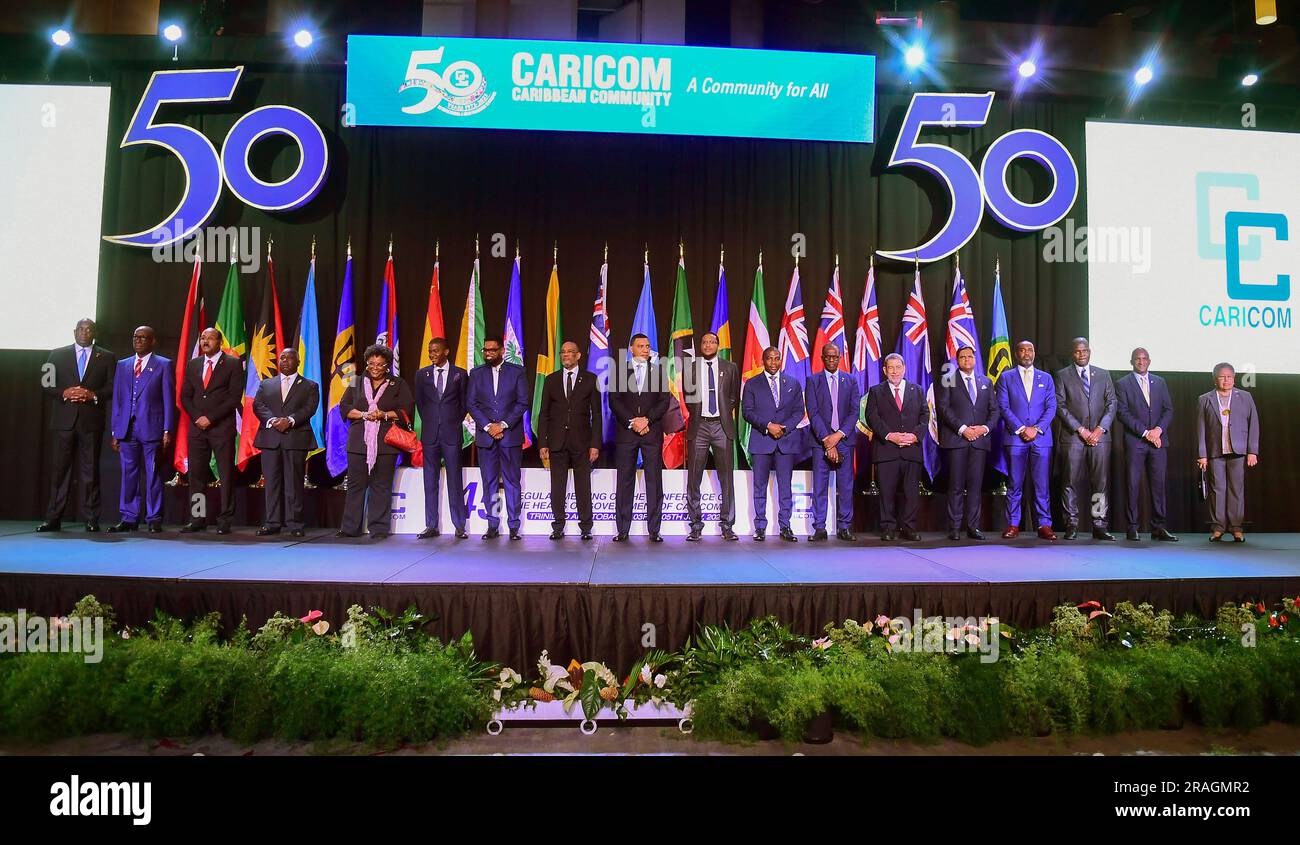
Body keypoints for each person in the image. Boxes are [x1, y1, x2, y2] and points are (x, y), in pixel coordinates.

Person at [39, 318, 113, 532]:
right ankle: (53, 518)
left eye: (89, 329)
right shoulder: (56, 354)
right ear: (74, 332)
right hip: (64, 421)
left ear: (94, 332)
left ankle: (91, 518)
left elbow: (112, 386)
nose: (84, 332)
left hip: (91, 422)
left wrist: (93, 395)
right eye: (81, 329)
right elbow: (45, 383)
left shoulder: (106, 356)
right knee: (59, 471)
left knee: (90, 471)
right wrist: (64, 393)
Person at [338, 344, 414, 539]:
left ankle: (379, 529)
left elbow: (406, 411)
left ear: (387, 365)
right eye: (371, 363)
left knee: (381, 485)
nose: (375, 368)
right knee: (356, 485)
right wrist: (364, 414)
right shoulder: (355, 381)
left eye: (379, 364)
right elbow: (345, 408)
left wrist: (383, 415)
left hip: (386, 443)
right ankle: (350, 528)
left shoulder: (397, 383)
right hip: (358, 443)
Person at [108, 326, 174, 532]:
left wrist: (167, 429)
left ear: (152, 341)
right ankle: (129, 517)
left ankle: (153, 517)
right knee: (129, 473)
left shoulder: (163, 364)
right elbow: (118, 399)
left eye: (143, 338)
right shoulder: (123, 365)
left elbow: (168, 400)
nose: (138, 340)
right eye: (136, 337)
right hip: (126, 429)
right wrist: (114, 431)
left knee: (153, 473)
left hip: (152, 428)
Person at [180, 328, 244, 534]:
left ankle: (225, 520)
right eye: (202, 338)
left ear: (220, 342)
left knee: (225, 475)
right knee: (197, 476)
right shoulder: (194, 364)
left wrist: (211, 418)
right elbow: (186, 396)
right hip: (197, 429)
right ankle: (197, 518)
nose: (205, 341)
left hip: (222, 429)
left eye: (210, 338)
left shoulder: (233, 364)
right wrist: (197, 417)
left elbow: (234, 398)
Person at [537, 341, 602, 540]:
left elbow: (597, 414)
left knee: (583, 486)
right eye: (563, 352)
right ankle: (557, 526)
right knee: (557, 486)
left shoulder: (591, 379)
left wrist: (595, 444)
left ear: (578, 355)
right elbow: (544, 413)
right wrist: (543, 443)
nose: (565, 355)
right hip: (557, 442)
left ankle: (586, 527)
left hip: (582, 442)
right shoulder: (551, 380)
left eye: (570, 352)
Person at [608, 333, 670, 541]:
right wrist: (633, 422)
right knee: (625, 481)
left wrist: (647, 421)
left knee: (654, 481)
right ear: (631, 349)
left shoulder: (659, 372)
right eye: (641, 346)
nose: (645, 349)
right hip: (627, 433)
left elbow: (664, 401)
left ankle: (654, 531)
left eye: (648, 346)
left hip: (651, 433)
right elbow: (614, 401)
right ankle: (623, 530)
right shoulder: (619, 371)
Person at [252, 348, 319, 537]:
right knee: (271, 482)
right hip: (270, 438)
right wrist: (273, 420)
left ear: (298, 362)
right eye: (282, 358)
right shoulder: (266, 384)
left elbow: (310, 408)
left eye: (290, 358)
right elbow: (258, 405)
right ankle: (272, 522)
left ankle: (295, 523)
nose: (285, 361)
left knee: (293, 483)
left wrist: (289, 420)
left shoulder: (310, 385)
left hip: (295, 438)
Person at [1055, 337, 1117, 541]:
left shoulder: (1103, 374)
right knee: (1069, 482)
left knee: (1100, 483)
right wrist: (1081, 430)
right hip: (1073, 437)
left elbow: (1111, 404)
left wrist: (1100, 429)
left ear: (1090, 351)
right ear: (1072, 353)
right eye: (1077, 351)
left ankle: (1099, 525)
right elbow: (1060, 406)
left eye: (1085, 351)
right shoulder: (1062, 375)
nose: (1082, 354)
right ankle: (1071, 524)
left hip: (1100, 437)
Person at [741, 346, 805, 542]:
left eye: (777, 358)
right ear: (763, 360)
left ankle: (785, 526)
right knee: (759, 486)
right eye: (770, 358)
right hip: (762, 441)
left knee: (785, 487)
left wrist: (783, 428)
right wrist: (768, 426)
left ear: (781, 360)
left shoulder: (792, 383)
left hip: (786, 442)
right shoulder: (752, 384)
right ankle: (760, 526)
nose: (773, 362)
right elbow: (747, 412)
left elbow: (799, 411)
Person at [936, 344, 999, 541]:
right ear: (957, 360)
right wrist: (963, 429)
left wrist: (984, 428)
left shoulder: (986, 382)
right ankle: (954, 528)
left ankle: (973, 527)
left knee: (975, 485)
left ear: (974, 359)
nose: (966, 360)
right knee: (955, 485)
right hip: (957, 440)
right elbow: (944, 409)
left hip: (979, 441)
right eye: (962, 357)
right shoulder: (948, 380)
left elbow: (994, 410)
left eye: (970, 357)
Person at [996, 340, 1058, 541]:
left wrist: (1036, 429)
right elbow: (1003, 407)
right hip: (1016, 438)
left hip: (1040, 438)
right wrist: (1022, 428)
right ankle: (1013, 524)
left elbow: (1051, 407)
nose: (1026, 353)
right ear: (1016, 354)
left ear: (1034, 352)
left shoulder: (1046, 378)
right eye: (1022, 350)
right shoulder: (1006, 377)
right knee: (1014, 483)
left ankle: (1044, 524)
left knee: (1042, 484)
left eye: (1030, 349)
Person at [468, 335, 528, 540]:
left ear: (502, 350)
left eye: (492, 350)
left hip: (509, 436)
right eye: (485, 350)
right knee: (489, 482)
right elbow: (472, 404)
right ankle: (492, 525)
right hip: (486, 438)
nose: (488, 353)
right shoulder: (476, 374)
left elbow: (522, 403)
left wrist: (501, 425)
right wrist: (487, 426)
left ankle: (513, 526)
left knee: (512, 481)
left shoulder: (517, 372)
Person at [864, 352, 928, 541]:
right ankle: (888, 528)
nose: (894, 371)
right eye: (890, 368)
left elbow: (925, 416)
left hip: (911, 449)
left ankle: (909, 527)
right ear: (884, 370)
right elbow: (872, 417)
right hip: (886, 450)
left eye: (898, 367)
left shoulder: (916, 390)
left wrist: (914, 435)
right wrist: (890, 436)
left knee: (911, 493)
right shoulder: (876, 391)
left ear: (904, 369)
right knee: (887, 492)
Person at [1115, 348, 1177, 542]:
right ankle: (1132, 527)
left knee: (1158, 485)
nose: (1141, 362)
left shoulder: (1159, 382)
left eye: (1144, 359)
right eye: (1137, 359)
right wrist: (1145, 433)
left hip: (1158, 442)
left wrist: (1158, 430)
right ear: (1131, 361)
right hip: (1136, 442)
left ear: (1149, 361)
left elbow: (1168, 409)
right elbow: (1122, 413)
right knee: (1133, 485)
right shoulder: (1122, 383)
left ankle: (1159, 528)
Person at [684, 332, 740, 541]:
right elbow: (688, 398)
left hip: (721, 426)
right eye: (704, 341)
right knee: (694, 478)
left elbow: (733, 396)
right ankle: (696, 525)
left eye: (712, 342)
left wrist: (723, 413)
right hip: (699, 427)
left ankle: (727, 525)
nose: (708, 345)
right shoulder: (690, 368)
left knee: (726, 478)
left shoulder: (730, 367)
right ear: (701, 345)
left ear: (718, 345)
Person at [1196, 363, 1260, 542]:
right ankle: (1218, 527)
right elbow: (1200, 428)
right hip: (1215, 450)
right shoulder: (1205, 399)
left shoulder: (1245, 397)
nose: (1226, 380)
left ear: (1234, 378)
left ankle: (1236, 527)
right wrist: (1202, 454)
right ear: (1215, 378)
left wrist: (1252, 451)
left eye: (1229, 377)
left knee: (1236, 489)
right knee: (1218, 489)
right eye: (1222, 377)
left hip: (1238, 451)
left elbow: (1253, 424)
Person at [414, 337, 469, 539]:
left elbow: (464, 403)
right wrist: (432, 421)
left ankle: (459, 525)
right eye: (430, 351)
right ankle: (431, 525)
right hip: (430, 435)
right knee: (430, 480)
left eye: (436, 350)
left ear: (446, 351)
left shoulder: (460, 374)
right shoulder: (422, 375)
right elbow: (420, 403)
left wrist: (451, 421)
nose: (432, 354)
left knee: (454, 479)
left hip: (451, 433)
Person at [806, 344, 860, 542]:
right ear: (822, 357)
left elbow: (855, 412)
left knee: (845, 486)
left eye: (834, 357)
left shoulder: (851, 380)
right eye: (827, 356)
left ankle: (844, 527)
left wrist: (838, 436)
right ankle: (819, 527)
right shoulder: (813, 381)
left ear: (840, 357)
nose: (831, 360)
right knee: (819, 486)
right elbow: (813, 412)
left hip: (844, 440)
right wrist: (828, 441)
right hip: (821, 441)